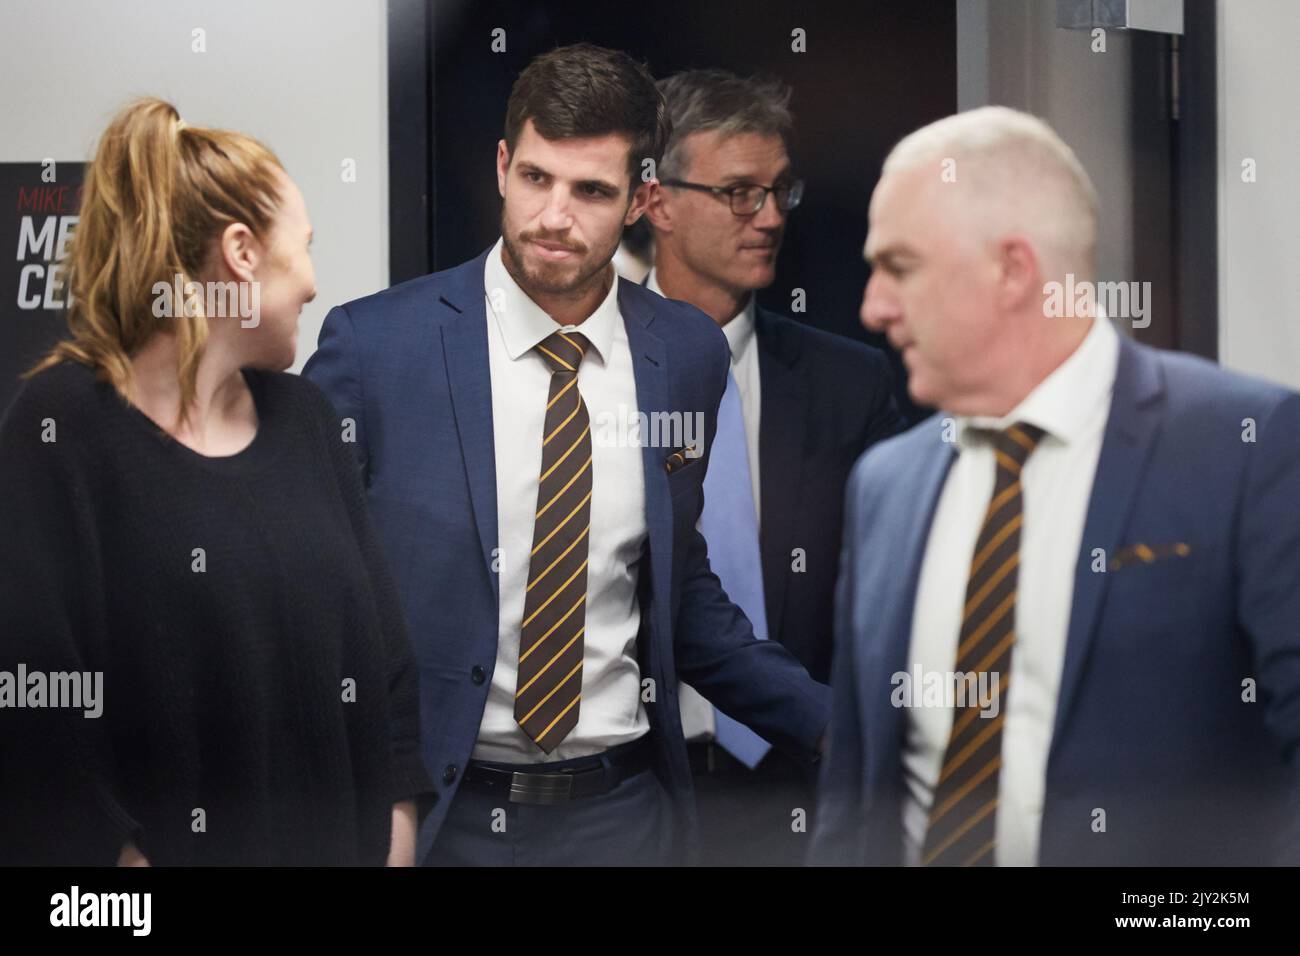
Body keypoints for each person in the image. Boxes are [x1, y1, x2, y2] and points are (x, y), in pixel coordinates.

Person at [303, 44, 830, 867]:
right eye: (537, 179)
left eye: (591, 191)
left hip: (622, 817)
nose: (555, 216)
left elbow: (677, 587)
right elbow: (310, 601)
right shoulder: (375, 349)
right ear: (504, 165)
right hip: (441, 819)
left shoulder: (685, 356)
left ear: (640, 200)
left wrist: (841, 729)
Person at [811, 106, 1300, 866]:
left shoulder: (1247, 445)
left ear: (1013, 269)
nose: (873, 307)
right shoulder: (885, 483)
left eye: (900, 267)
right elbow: (853, 795)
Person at [0, 98, 435, 866]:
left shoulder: (304, 420)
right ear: (241, 252)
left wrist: (395, 851)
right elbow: (38, 725)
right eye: (303, 246)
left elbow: (389, 684)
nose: (311, 282)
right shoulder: (61, 427)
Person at [642, 69, 903, 865]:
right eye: (738, 193)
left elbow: (885, 599)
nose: (768, 218)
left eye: (780, 192)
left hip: (805, 798)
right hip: (638, 796)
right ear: (656, 201)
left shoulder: (849, 384)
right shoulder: (592, 372)